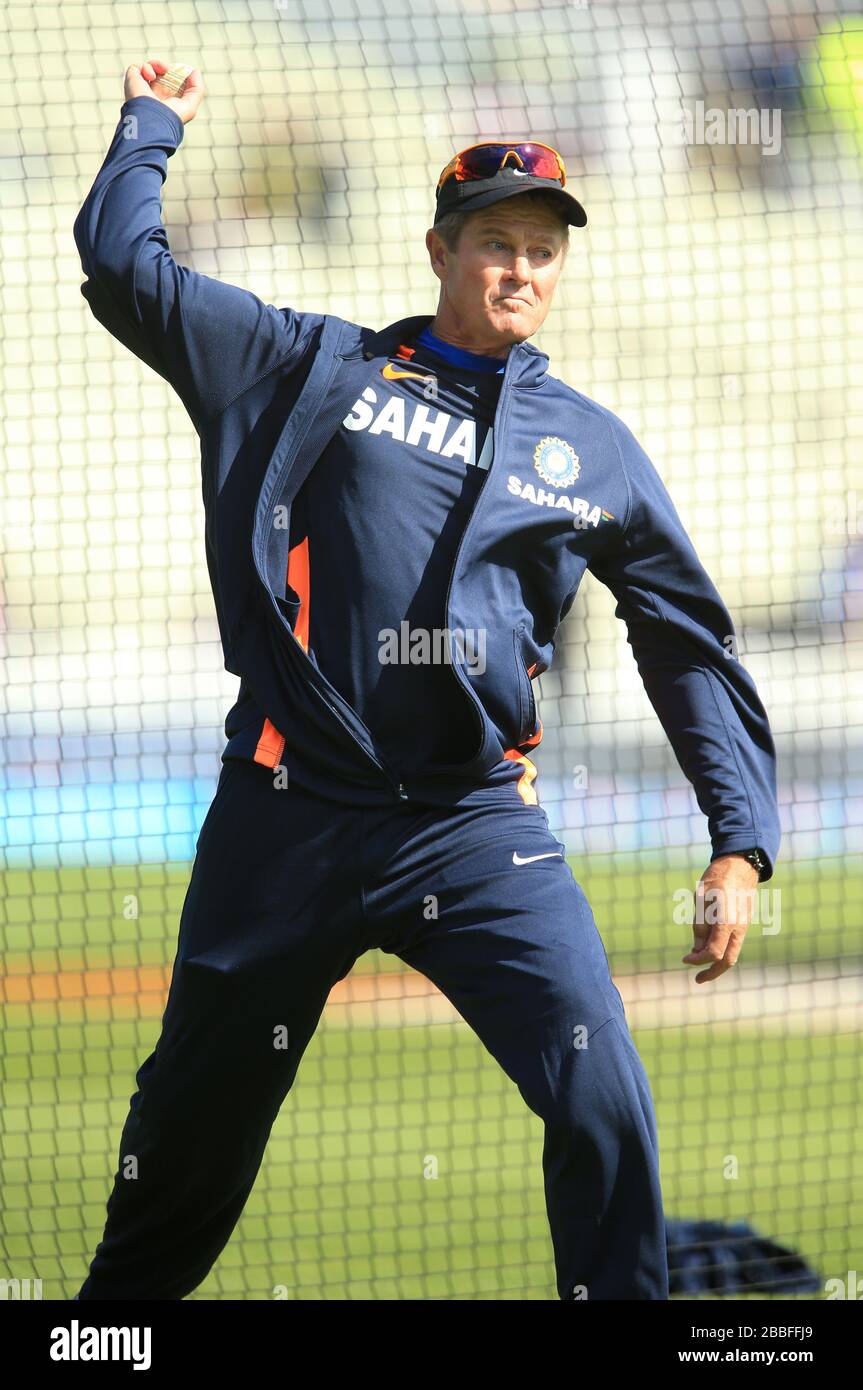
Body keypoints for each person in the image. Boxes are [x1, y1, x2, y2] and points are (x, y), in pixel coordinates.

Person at [70, 59, 780, 1301]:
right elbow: (126, 272)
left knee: (599, 1084)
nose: (520, 269)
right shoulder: (306, 365)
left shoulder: (593, 449)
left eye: (543, 252)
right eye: (496, 243)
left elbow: (684, 638)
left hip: (471, 829)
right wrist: (151, 132)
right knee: (189, 1135)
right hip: (283, 820)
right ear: (441, 250)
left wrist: (740, 840)